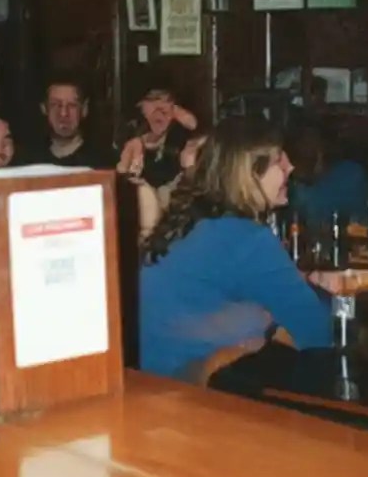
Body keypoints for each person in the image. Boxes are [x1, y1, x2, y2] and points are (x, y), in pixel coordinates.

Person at [139, 117, 333, 382]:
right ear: (249, 172)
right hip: (194, 399)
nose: (291, 167)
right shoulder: (247, 239)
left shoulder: (187, 222)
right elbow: (318, 334)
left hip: (146, 384)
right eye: (278, 160)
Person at [21, 76, 116, 168]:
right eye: (56, 104)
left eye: (72, 105)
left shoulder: (104, 162)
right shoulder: (28, 161)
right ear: (44, 108)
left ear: (84, 109)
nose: (63, 113)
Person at [117, 87, 198, 190]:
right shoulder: (134, 138)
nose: (159, 113)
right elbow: (121, 174)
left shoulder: (178, 137)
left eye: (164, 110)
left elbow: (193, 124)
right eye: (153, 109)